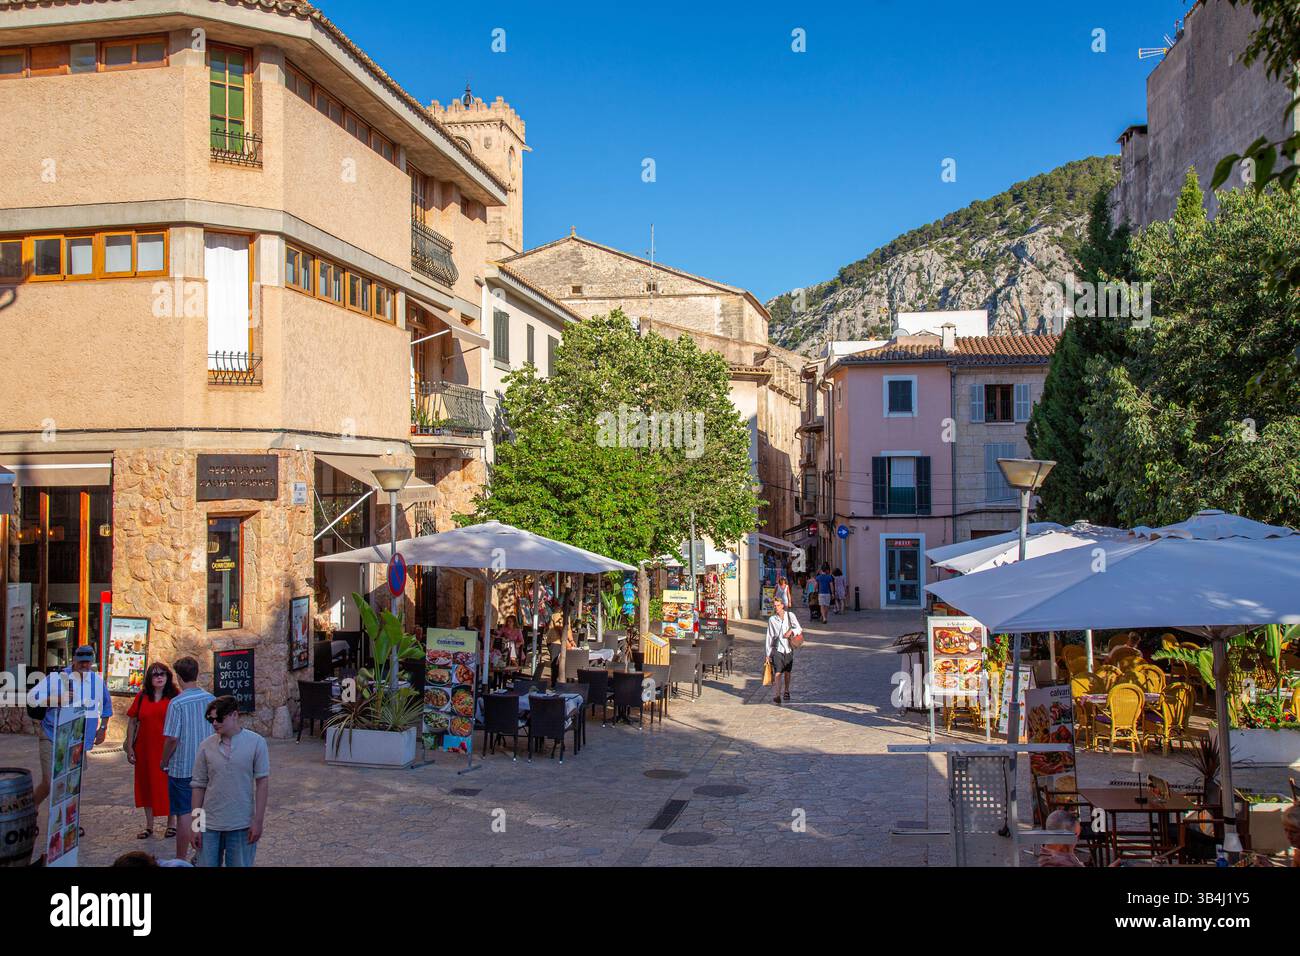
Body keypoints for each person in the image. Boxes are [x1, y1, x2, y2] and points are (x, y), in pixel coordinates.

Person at [28, 644, 112, 834]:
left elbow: (106, 706)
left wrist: (103, 728)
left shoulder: (97, 682)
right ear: (73, 660)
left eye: (87, 661)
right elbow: (33, 698)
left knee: (72, 783)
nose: (84, 664)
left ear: (92, 662)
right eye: (80, 660)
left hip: (78, 740)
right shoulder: (57, 678)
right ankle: (30, 809)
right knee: (50, 782)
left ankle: (69, 820)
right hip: (52, 735)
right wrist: (58, 699)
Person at [191, 695, 269, 868]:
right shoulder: (205, 746)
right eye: (211, 719)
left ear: (234, 715)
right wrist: (195, 824)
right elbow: (198, 785)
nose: (215, 723)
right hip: (209, 824)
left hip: (241, 823)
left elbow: (262, 783)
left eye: (219, 718)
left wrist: (258, 821)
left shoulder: (256, 743)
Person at [160, 656, 214, 862]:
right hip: (205, 765)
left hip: (182, 766)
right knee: (199, 811)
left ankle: (180, 858)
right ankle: (200, 854)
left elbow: (172, 737)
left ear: (179, 678)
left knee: (183, 813)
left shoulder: (177, 703)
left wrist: (164, 760)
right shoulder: (210, 698)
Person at [126, 662, 178, 841]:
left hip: (167, 748)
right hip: (145, 748)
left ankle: (172, 825)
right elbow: (132, 721)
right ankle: (149, 826)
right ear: (149, 677)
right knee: (145, 785)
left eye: (163, 674)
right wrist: (129, 745)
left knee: (169, 785)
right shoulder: (142, 697)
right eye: (155, 674)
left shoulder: (174, 696)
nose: (159, 677)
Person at [765, 596, 802, 705]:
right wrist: (767, 654)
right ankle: (777, 695)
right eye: (774, 606)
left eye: (778, 605)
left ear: (782, 606)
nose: (776, 608)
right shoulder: (772, 620)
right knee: (777, 672)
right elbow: (769, 636)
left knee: (787, 672)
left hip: (789, 648)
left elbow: (799, 628)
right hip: (777, 649)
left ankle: (786, 690)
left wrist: (791, 632)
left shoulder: (790, 616)